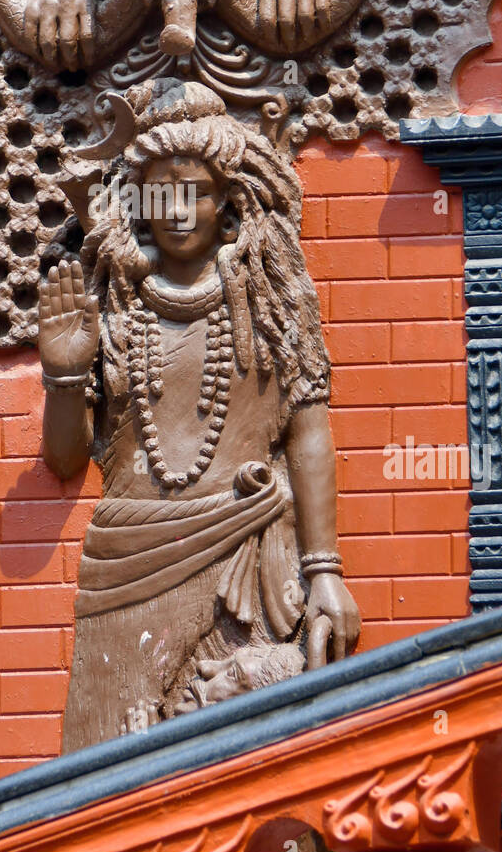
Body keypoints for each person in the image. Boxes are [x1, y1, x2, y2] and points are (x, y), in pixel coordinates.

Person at [37, 78, 360, 751]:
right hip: (125, 568)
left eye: (198, 192)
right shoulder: (115, 307)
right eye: (163, 193)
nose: (180, 211)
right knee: (97, 783)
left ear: (230, 203)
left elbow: (309, 433)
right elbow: (68, 459)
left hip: (245, 568)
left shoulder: (273, 302)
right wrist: (67, 372)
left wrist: (324, 569)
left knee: (255, 777)